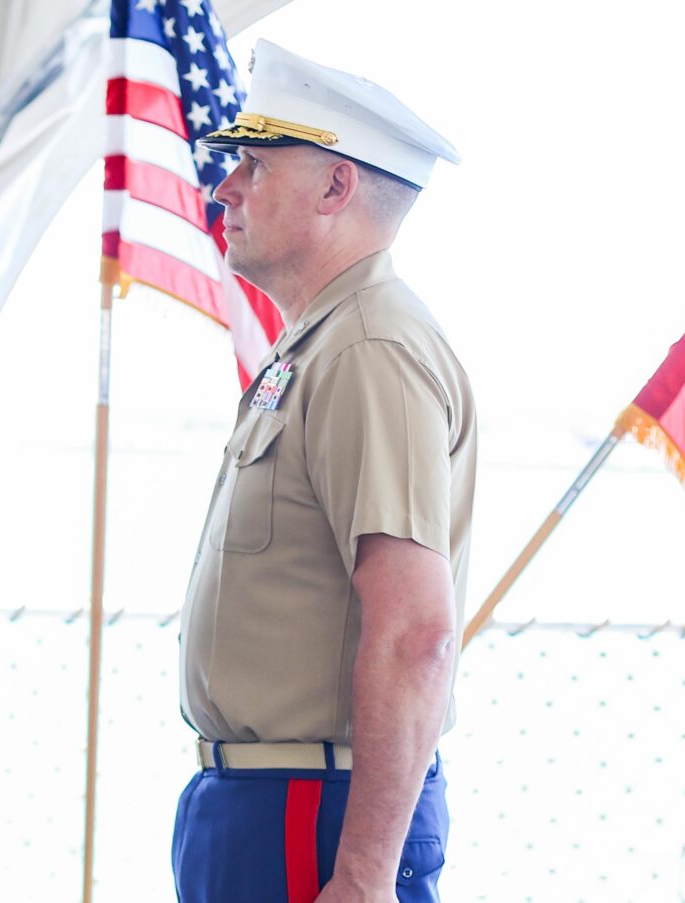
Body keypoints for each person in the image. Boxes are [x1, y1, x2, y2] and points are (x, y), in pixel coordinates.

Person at [172, 40, 476, 903]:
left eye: (254, 165)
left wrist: (366, 875)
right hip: (260, 801)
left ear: (337, 188)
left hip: (314, 810)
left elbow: (417, 630)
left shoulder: (371, 346)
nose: (225, 187)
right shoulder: (323, 343)